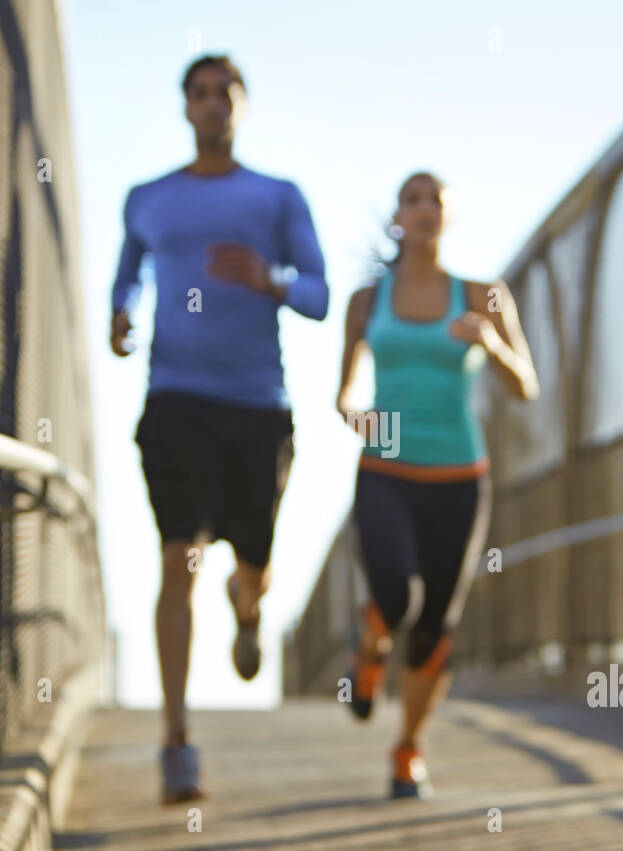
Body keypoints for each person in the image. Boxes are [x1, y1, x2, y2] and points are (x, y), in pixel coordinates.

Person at [110, 54, 329, 804]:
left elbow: (320, 295)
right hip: (175, 400)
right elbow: (126, 276)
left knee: (251, 559)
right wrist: (120, 317)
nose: (212, 106)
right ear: (185, 108)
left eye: (223, 94)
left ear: (241, 105)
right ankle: (176, 739)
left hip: (257, 408)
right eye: (199, 95)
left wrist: (269, 277)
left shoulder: (276, 197)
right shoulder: (148, 200)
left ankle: (250, 605)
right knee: (179, 559)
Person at [336, 171, 538, 798]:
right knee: (396, 596)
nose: (424, 209)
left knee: (435, 629)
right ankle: (370, 647)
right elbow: (343, 392)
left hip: (458, 475)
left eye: (436, 202)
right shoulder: (368, 301)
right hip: (386, 467)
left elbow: (526, 386)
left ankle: (407, 750)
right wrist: (355, 415)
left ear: (448, 219)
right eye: (413, 199)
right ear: (398, 216)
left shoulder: (483, 294)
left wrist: (491, 345)